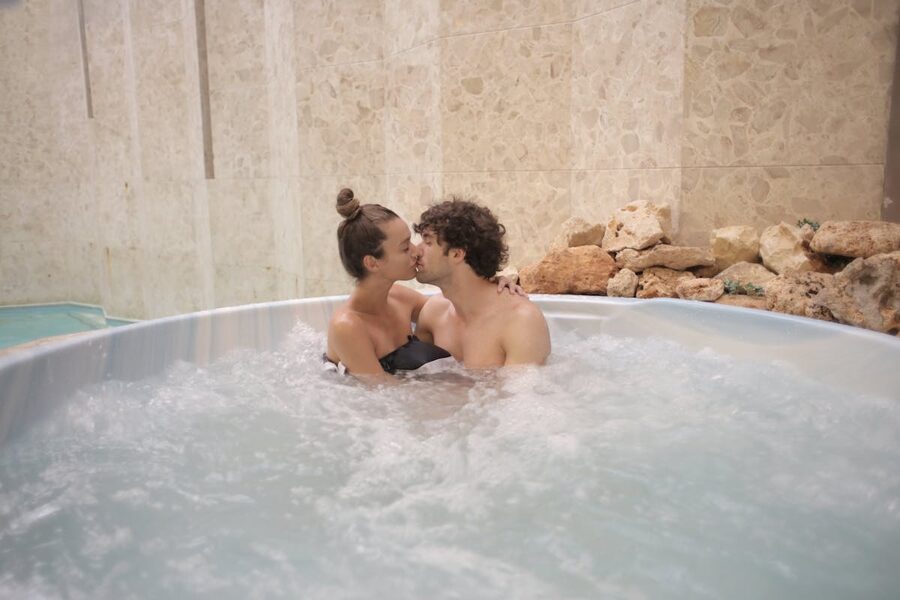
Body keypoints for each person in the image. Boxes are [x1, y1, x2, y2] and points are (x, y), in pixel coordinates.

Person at [324, 188, 520, 380]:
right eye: (404, 248)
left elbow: (459, 305)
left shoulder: (399, 298)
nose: (416, 251)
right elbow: (384, 395)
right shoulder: (347, 327)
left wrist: (488, 282)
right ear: (372, 263)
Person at [412, 197, 551, 368]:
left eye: (427, 242)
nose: (416, 251)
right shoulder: (433, 313)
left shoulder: (520, 321)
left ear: (457, 254)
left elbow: (522, 394)